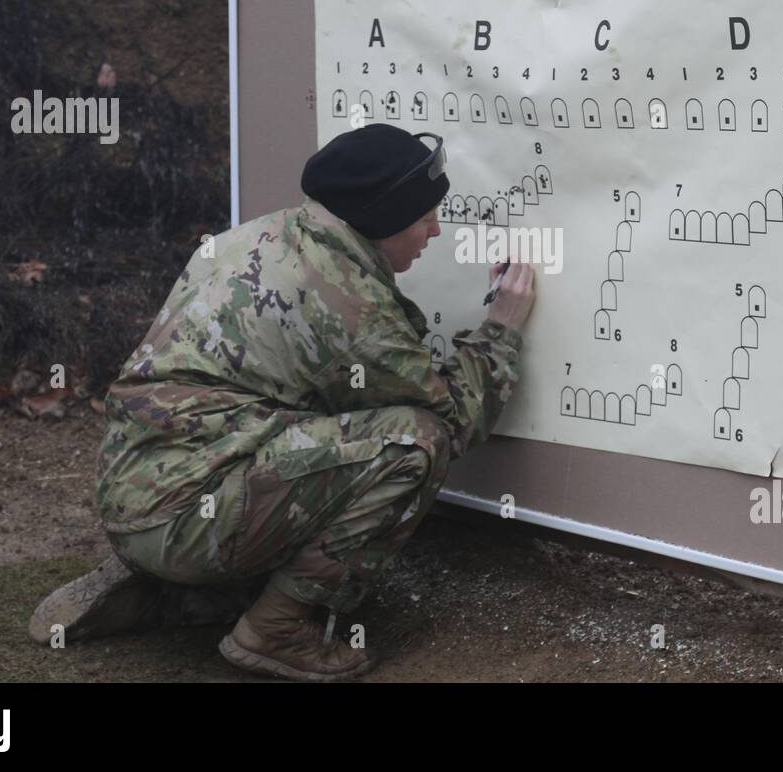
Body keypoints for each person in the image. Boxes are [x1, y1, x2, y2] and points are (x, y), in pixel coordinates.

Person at [28, 123, 537, 681]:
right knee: (414, 441)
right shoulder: (345, 307)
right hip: (188, 514)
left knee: (320, 426)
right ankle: (276, 629)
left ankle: (169, 592)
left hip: (136, 493)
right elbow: (454, 417)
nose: (437, 231)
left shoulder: (258, 237)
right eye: (423, 218)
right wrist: (500, 330)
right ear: (381, 220)